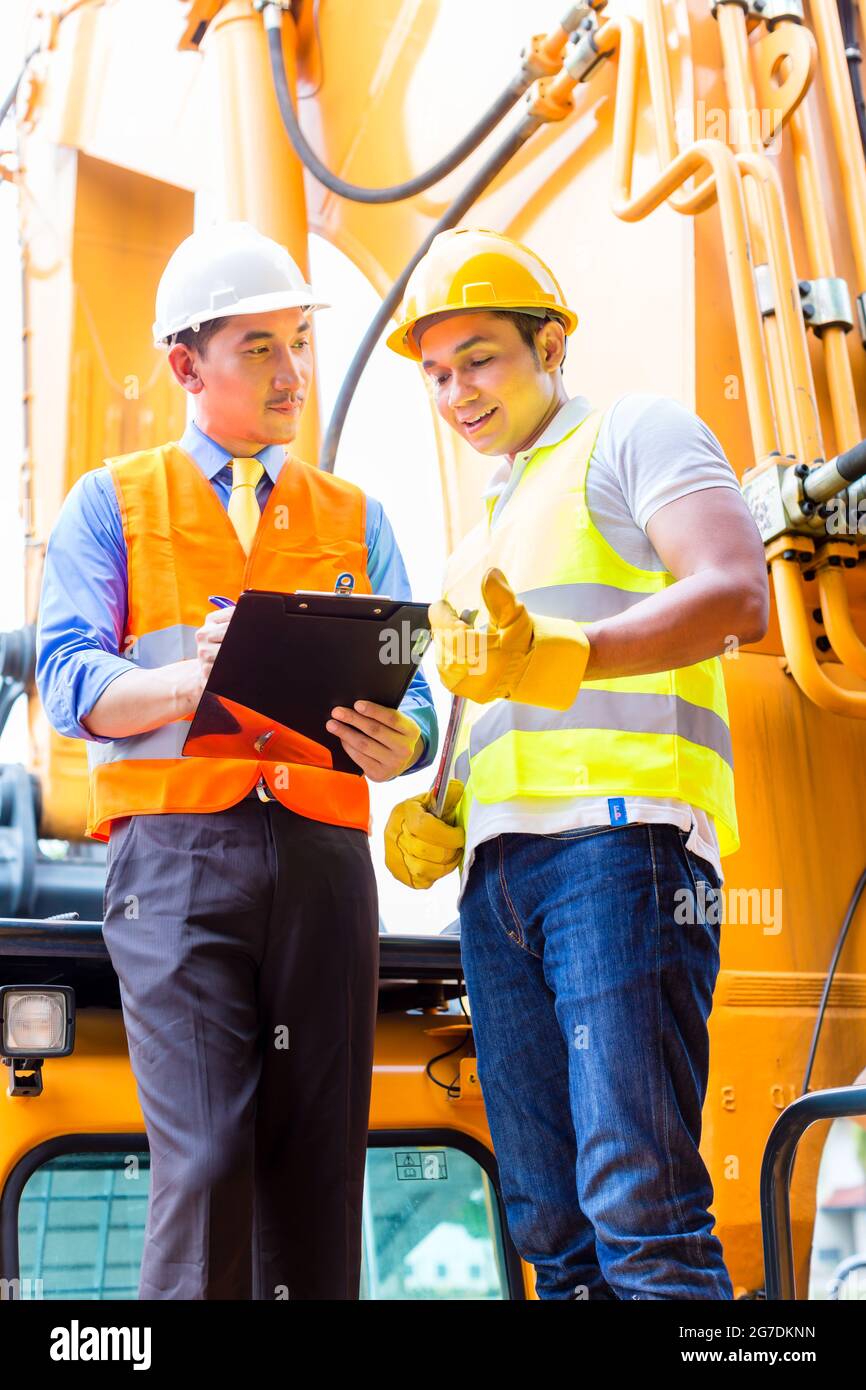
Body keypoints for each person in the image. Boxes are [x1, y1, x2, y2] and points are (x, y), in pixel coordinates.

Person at [35, 220, 437, 1301]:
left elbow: (423, 704)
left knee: (315, 1182)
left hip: (322, 868)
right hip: (176, 866)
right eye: (259, 347)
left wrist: (409, 739)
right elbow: (69, 683)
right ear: (184, 364)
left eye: (298, 343)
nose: (293, 373)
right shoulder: (109, 503)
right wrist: (193, 683)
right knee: (207, 1157)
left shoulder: (358, 516)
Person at [383, 227, 769, 1300]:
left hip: (619, 850)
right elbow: (497, 704)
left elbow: (738, 590)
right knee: (551, 1231)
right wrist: (444, 808)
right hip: (499, 883)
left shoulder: (631, 432)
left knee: (638, 1210)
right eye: (435, 373)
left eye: (479, 358)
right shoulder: (475, 540)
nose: (455, 391)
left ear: (549, 344)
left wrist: (576, 649)